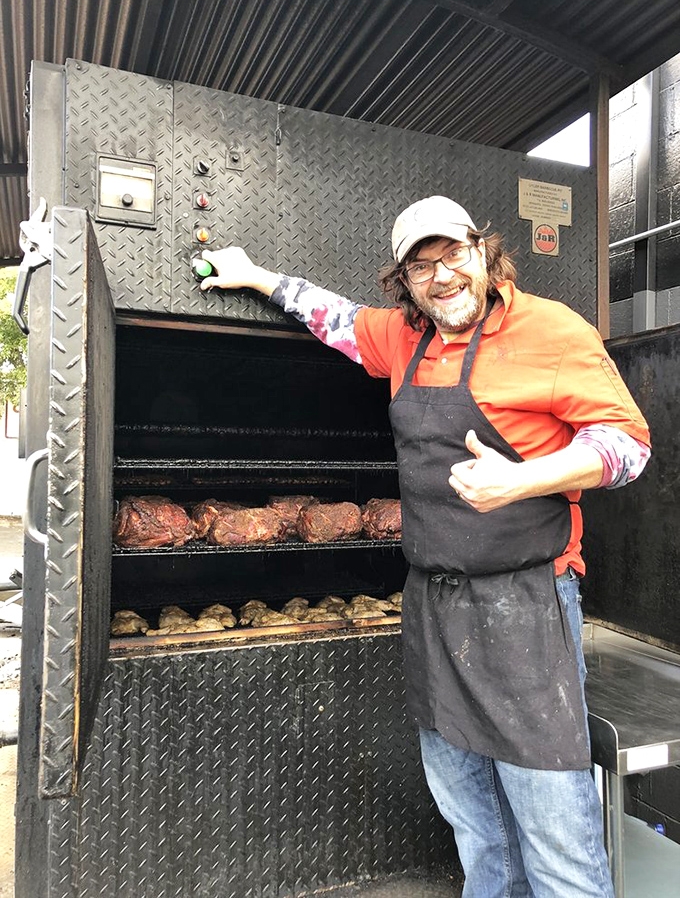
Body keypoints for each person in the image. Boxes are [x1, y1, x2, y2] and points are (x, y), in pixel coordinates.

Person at [200, 195, 650, 898]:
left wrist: (526, 476)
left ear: (483, 252)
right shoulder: (403, 337)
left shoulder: (551, 330)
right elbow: (335, 317)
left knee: (555, 833)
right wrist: (256, 275)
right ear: (404, 282)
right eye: (421, 266)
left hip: (526, 607)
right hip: (435, 608)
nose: (441, 277)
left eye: (452, 256)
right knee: (475, 821)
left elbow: (627, 445)